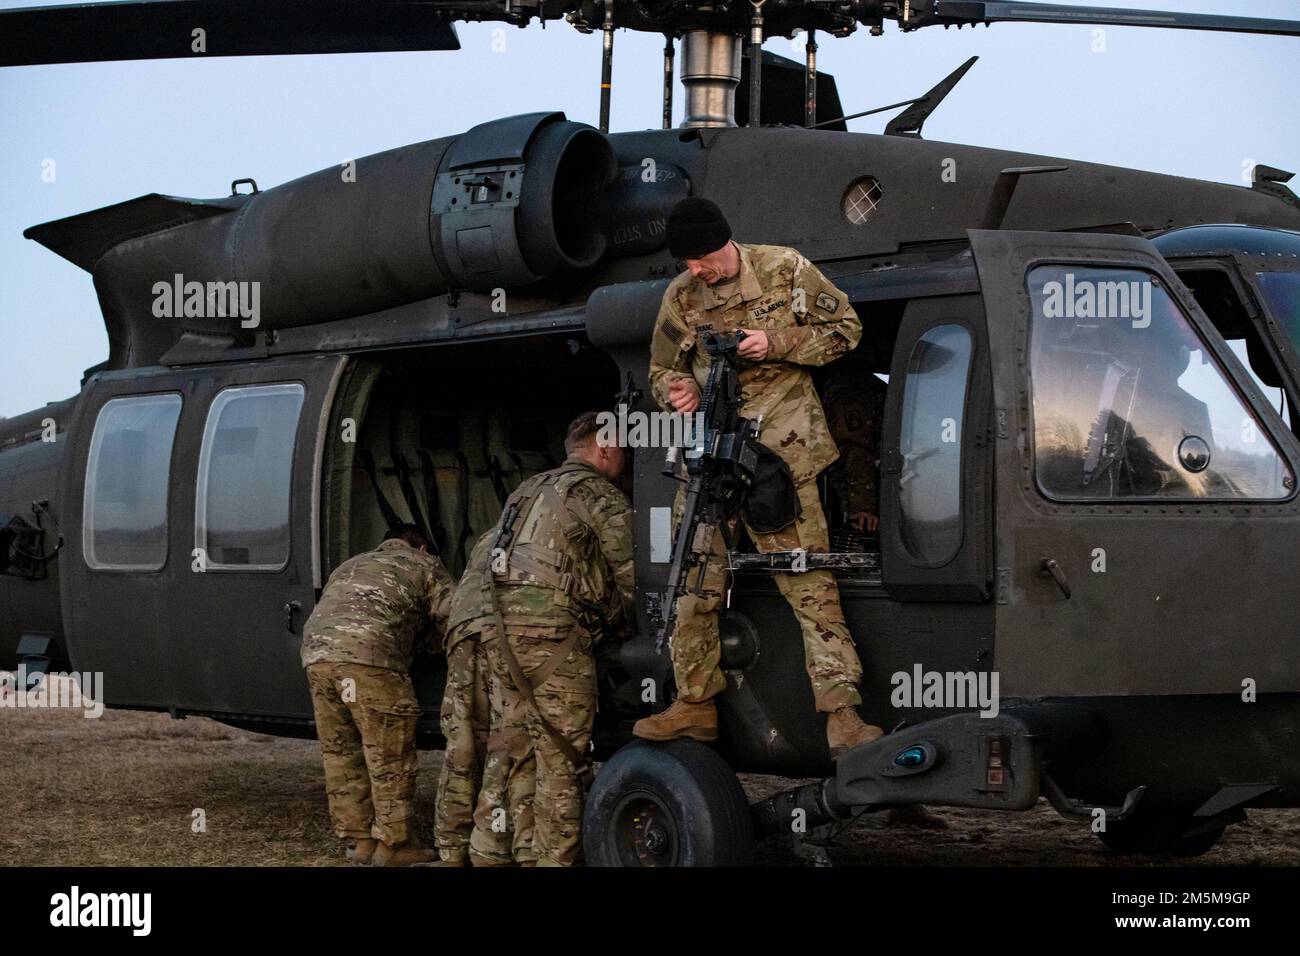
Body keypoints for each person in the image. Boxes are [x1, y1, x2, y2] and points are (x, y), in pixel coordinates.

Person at [635, 196, 882, 759]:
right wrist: (677, 391)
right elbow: (661, 369)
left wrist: (779, 343)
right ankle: (693, 704)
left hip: (781, 456)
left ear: (725, 242)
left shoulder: (784, 269)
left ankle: (842, 715)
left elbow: (846, 329)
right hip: (711, 456)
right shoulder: (680, 298)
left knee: (807, 582)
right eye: (688, 264)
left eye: (702, 259)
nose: (696, 271)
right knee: (692, 580)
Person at [467, 411, 635, 867]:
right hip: (555, 640)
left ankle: (513, 852)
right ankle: (554, 859)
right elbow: (633, 572)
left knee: (518, 749)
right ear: (606, 448)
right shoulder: (598, 493)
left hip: (500, 634)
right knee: (562, 755)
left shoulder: (524, 491)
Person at [300, 523, 453, 866]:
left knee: (342, 752)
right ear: (423, 548)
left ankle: (361, 840)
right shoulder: (424, 565)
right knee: (389, 755)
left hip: (317, 656)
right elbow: (453, 619)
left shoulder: (350, 565)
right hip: (370, 660)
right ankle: (396, 845)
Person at [430, 531, 507, 866]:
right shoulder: (553, 518)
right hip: (504, 628)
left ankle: (450, 845)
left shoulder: (492, 532)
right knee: (504, 740)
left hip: (463, 629)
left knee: (460, 741)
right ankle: (490, 846)